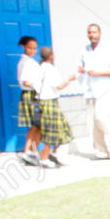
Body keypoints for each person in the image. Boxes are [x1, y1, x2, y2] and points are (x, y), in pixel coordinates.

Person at [77, 22, 110, 160]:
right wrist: (82, 70)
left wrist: (98, 73)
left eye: (94, 32)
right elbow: (81, 67)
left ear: (100, 34)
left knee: (101, 117)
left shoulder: (108, 49)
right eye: (90, 32)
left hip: (106, 89)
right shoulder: (85, 50)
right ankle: (102, 151)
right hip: (90, 90)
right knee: (93, 122)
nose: (92, 35)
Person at [34, 46, 75, 168]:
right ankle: (44, 158)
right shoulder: (51, 69)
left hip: (42, 101)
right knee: (51, 130)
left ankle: (54, 153)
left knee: (60, 128)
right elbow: (59, 86)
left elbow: (35, 86)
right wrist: (70, 79)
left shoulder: (39, 68)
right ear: (51, 56)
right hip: (50, 102)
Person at [16, 35, 42, 165]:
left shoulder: (31, 62)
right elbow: (25, 81)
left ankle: (33, 151)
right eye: (29, 48)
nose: (32, 50)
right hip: (30, 94)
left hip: (36, 95)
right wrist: (38, 86)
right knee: (34, 125)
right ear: (24, 47)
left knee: (38, 125)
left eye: (35, 48)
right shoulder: (25, 63)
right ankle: (27, 151)